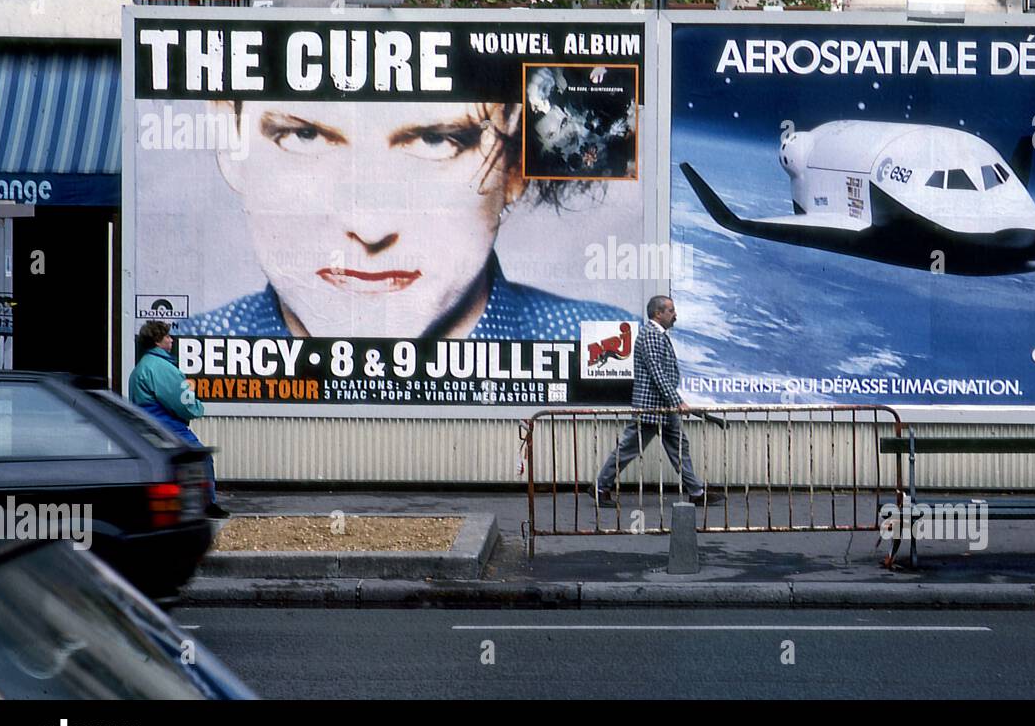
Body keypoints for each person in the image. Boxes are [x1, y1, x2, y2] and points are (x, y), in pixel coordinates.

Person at [177, 99, 626, 339]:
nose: (370, 227)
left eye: (436, 140)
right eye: (305, 135)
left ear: (513, 167)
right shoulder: (182, 355)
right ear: (229, 138)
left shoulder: (607, 344)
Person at [593, 295, 723, 507]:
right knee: (628, 449)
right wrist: (677, 401)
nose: (675, 315)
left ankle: (697, 492)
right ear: (658, 313)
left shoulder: (657, 334)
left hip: (663, 406)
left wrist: (674, 402)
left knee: (680, 447)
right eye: (671, 311)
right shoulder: (651, 335)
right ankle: (600, 487)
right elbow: (657, 372)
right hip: (651, 407)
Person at [130, 320, 227, 519]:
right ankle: (207, 505)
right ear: (157, 341)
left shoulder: (140, 367)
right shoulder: (161, 368)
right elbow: (182, 401)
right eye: (167, 336)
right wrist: (197, 408)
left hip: (147, 425)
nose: (171, 339)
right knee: (200, 459)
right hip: (166, 425)